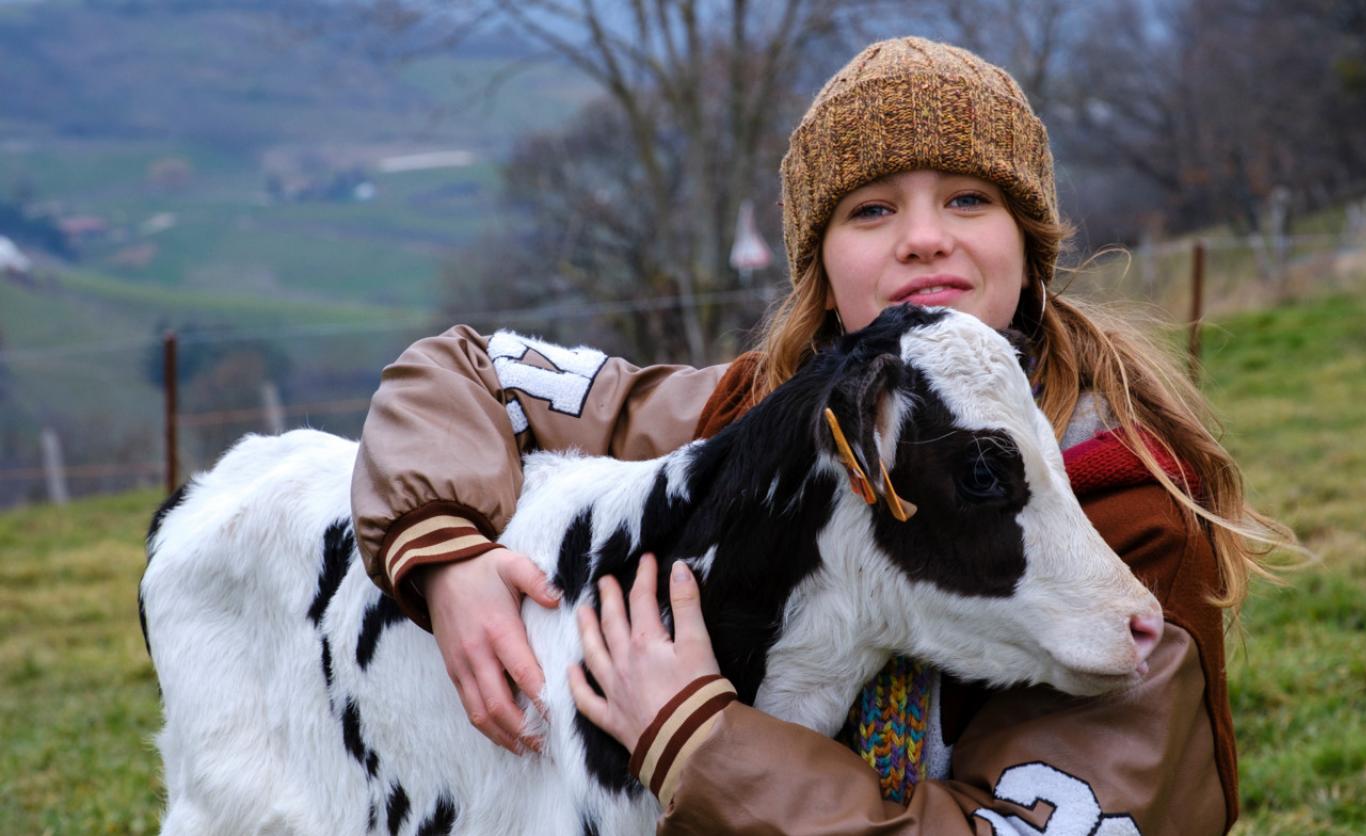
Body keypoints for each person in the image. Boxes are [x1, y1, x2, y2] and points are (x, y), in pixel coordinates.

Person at [352, 36, 1292, 834]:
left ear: (1029, 241)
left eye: (970, 198)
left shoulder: (1128, 506)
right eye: (871, 209)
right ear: (819, 263)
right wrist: (443, 555)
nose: (923, 238)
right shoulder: (750, 429)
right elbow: (466, 368)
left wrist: (703, 743)